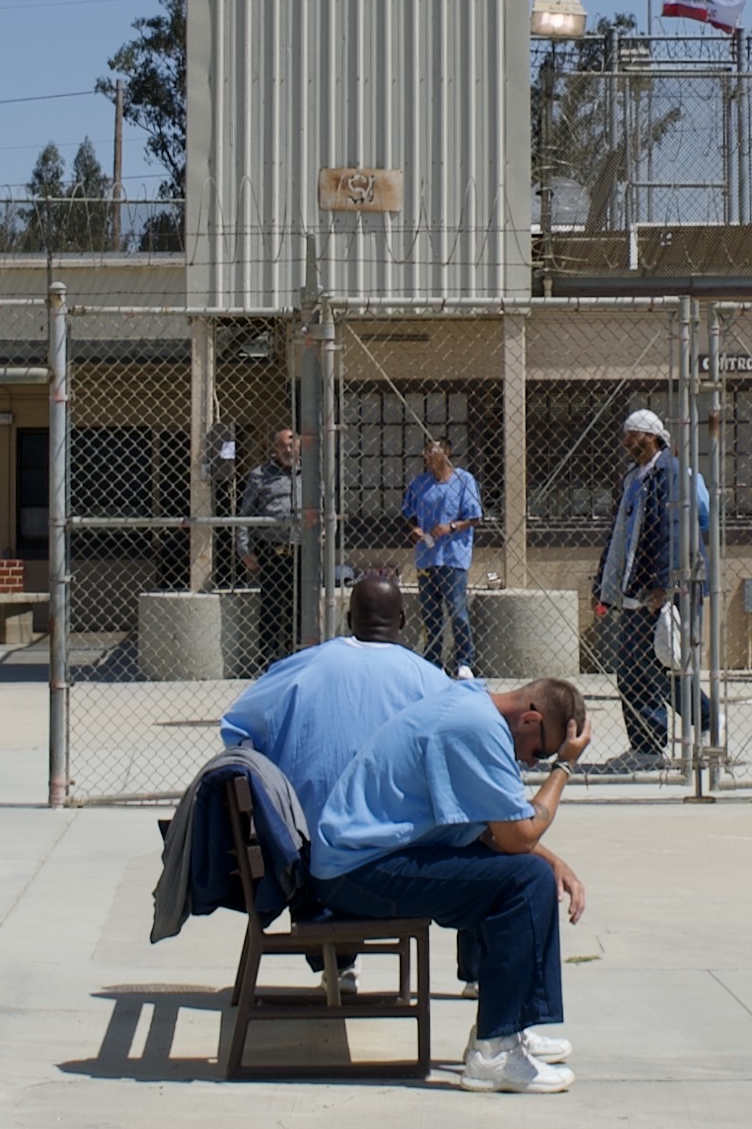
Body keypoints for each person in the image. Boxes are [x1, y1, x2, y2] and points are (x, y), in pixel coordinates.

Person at [215, 598, 597, 1092]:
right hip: (357, 873)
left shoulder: (470, 705)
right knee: (523, 882)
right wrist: (565, 768)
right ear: (529, 718)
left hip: (359, 862)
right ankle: (495, 1050)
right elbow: (519, 833)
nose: (532, 763)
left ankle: (513, 1027)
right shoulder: (478, 729)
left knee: (526, 872)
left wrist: (553, 859)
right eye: (540, 752)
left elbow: (495, 829)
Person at [589, 408, 701, 771]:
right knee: (631, 671)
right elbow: (619, 535)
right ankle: (645, 745)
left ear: (651, 436)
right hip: (633, 588)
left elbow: (671, 529)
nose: (626, 441)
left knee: (655, 669)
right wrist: (602, 584)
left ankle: (677, 736)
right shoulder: (634, 478)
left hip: (656, 590)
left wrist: (662, 585)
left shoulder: (670, 473)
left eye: (632, 434)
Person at [231, 426, 310, 670]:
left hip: (303, 550)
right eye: (283, 446)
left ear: (299, 447)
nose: (288, 450)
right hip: (272, 549)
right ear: (275, 448)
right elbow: (245, 513)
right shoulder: (260, 475)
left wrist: (326, 536)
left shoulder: (310, 474)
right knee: (272, 606)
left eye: (292, 445)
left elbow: (326, 508)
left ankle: (298, 658)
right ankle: (268, 661)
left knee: (301, 605)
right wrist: (244, 549)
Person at [405, 439, 487, 669]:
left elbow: (475, 517)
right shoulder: (419, 484)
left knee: (457, 610)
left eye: (432, 450)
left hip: (452, 556)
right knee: (430, 613)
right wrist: (414, 529)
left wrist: (451, 527)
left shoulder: (464, 480)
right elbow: (409, 513)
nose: (427, 455)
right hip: (426, 557)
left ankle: (464, 661)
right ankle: (433, 660)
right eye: (425, 451)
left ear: (447, 452)